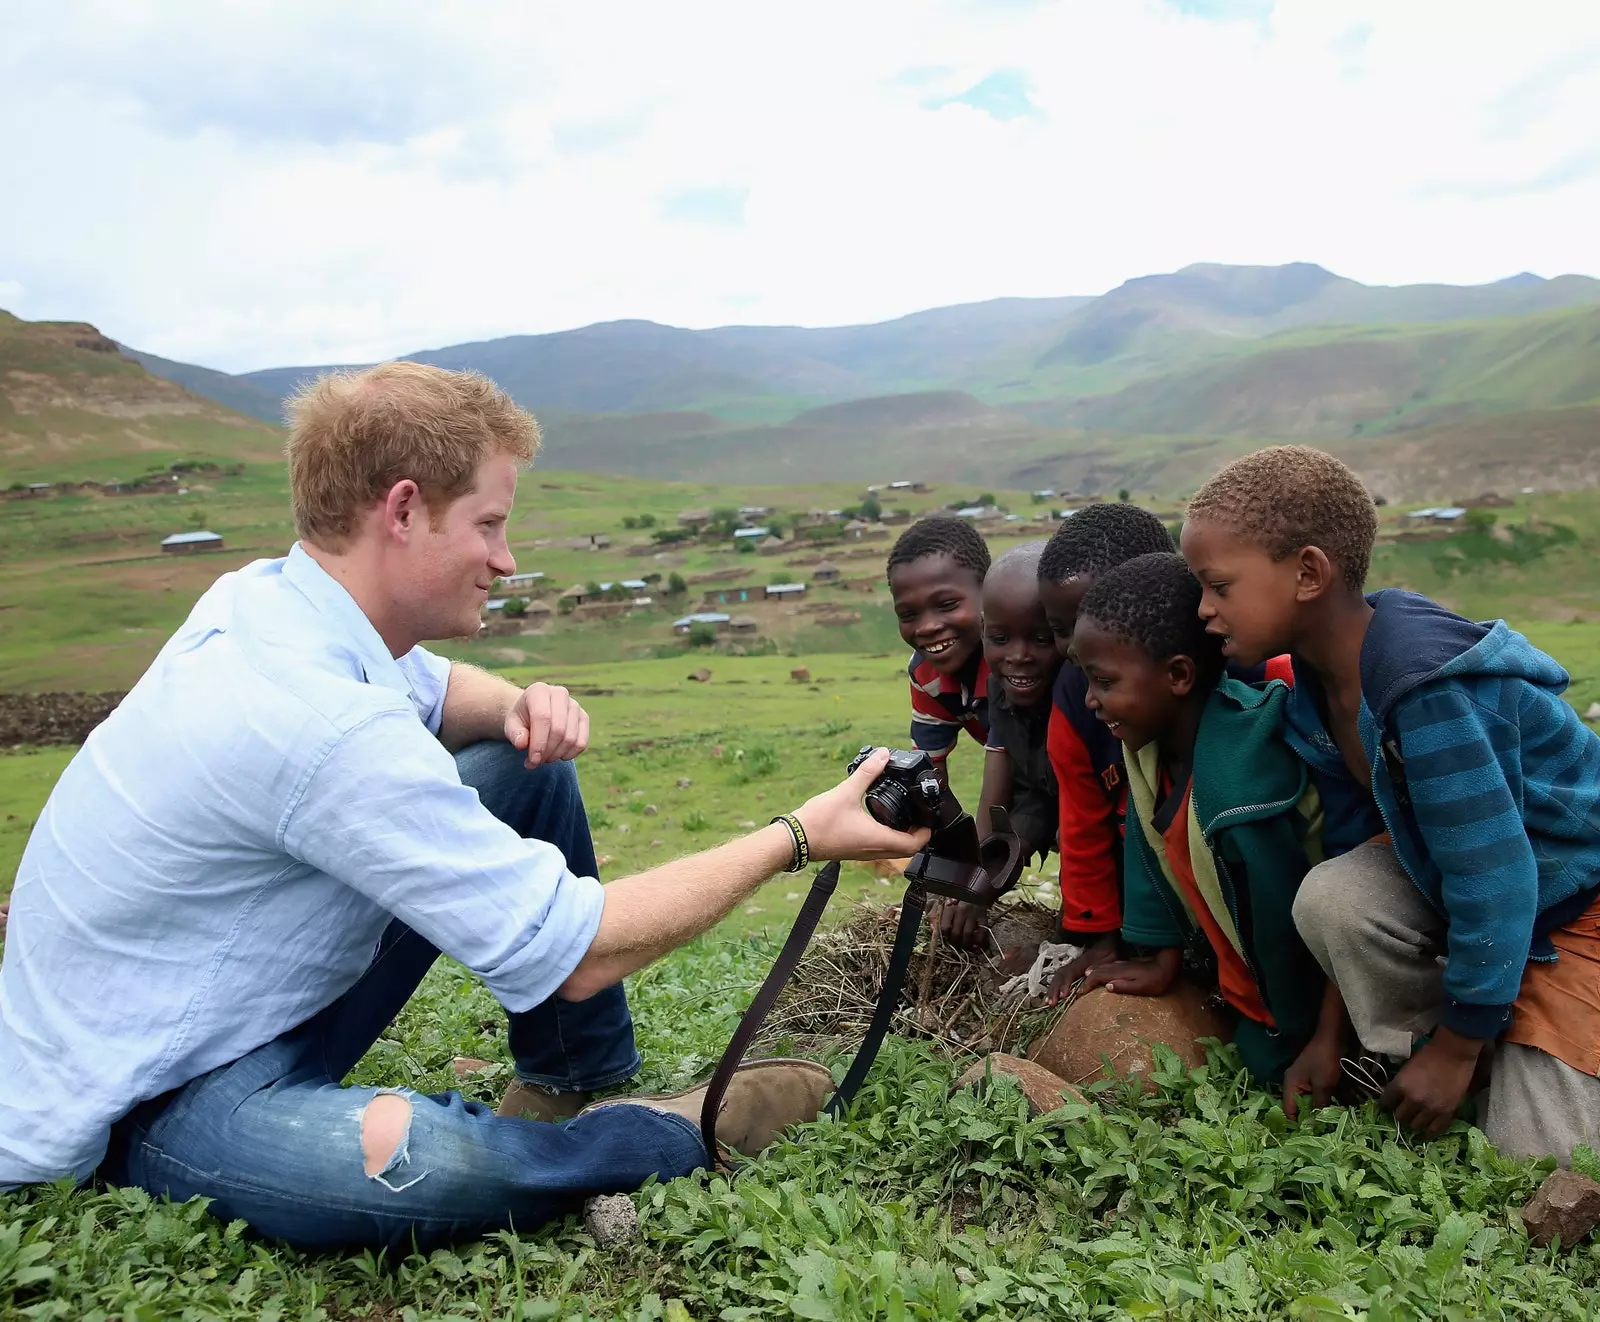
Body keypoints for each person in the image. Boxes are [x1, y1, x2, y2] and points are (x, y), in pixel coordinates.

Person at [0, 362, 927, 1250]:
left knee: (524, 765)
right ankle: (668, 1132)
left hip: (233, 993)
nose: (506, 558)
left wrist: (517, 708)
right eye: (488, 525)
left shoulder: (273, 601)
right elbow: (581, 952)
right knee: (423, 1166)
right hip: (156, 1087)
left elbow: (442, 694)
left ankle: (574, 1075)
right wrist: (799, 836)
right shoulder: (316, 721)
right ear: (403, 509)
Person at [1182, 444, 1600, 1162]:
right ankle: (1471, 1027)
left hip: (1577, 903)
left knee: (1539, 1160)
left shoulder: (1424, 692)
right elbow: (1373, 848)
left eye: (1219, 586)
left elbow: (1496, 883)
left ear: (1308, 573)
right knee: (1335, 895)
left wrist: (1457, 1049)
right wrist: (1328, 1035)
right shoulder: (1317, 694)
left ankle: (1478, 1039)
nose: (1204, 610)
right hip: (1498, 905)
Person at [1067, 552, 1326, 1083]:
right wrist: (1160, 954)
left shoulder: (1243, 786)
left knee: (1270, 1071)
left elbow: (1284, 929)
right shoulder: (1147, 751)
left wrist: (1305, 1036)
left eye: (1103, 681)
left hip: (1306, 997)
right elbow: (1148, 845)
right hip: (1245, 989)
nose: (1090, 702)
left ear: (1179, 675)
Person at [1035, 504, 1176, 980]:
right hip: (1138, 883)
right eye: (1060, 629)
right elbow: (1082, 822)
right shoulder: (1074, 699)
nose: (1076, 648)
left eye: (1098, 619)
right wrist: (1099, 937)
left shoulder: (1242, 682)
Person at [940, 541, 1063, 947]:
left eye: (1042, 639)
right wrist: (980, 877)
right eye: (1000, 638)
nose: (1019, 656)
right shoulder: (1001, 690)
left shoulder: (1084, 701)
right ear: (982, 631)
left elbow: (1080, 807)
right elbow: (1030, 796)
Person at [886, 514, 992, 778]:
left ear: (990, 589)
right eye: (909, 615)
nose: (927, 627)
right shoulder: (925, 673)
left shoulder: (1023, 660)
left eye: (947, 605)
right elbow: (928, 773)